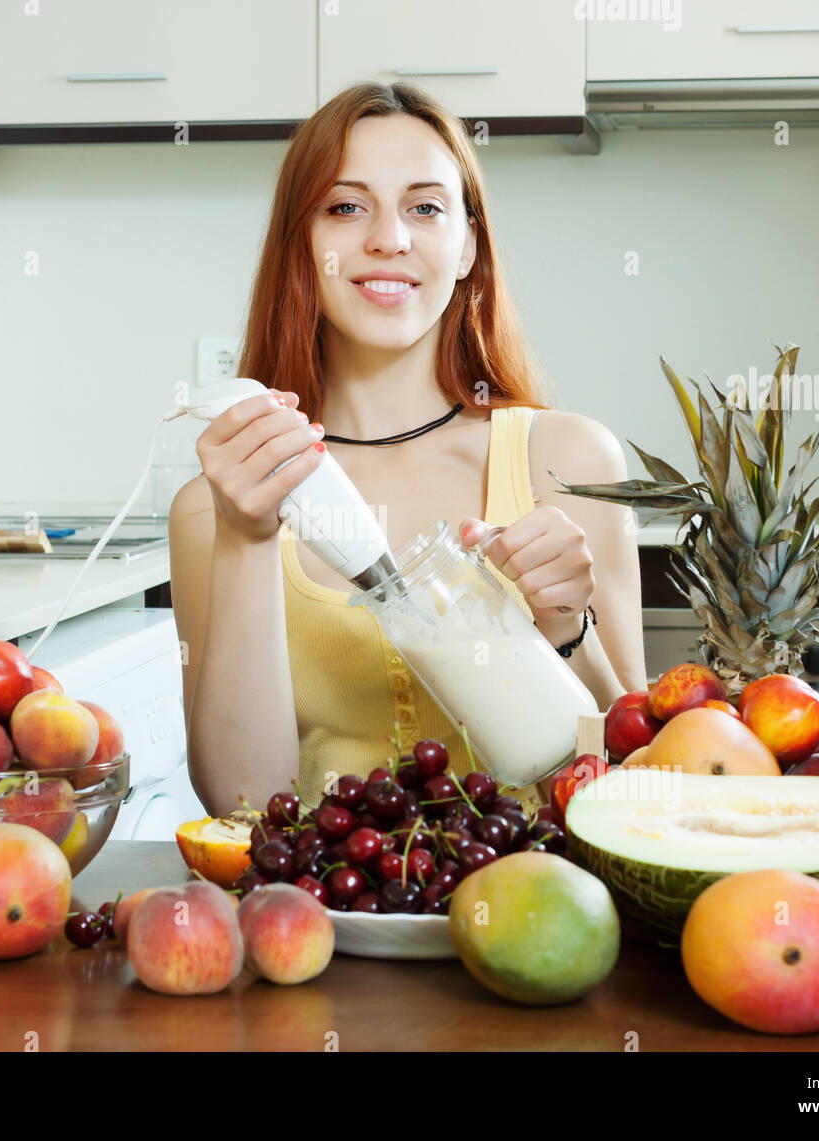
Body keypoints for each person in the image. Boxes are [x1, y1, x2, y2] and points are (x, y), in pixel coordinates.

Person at [170, 83, 646, 818]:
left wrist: (567, 632)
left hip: (536, 912)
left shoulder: (571, 460)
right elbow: (242, 803)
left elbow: (632, 771)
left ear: (468, 248)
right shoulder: (219, 502)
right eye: (345, 206)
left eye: (425, 208)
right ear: (302, 244)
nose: (389, 237)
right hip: (327, 917)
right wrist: (244, 538)